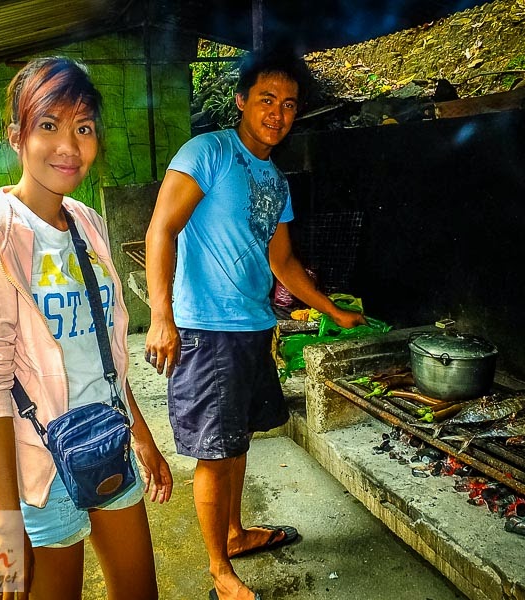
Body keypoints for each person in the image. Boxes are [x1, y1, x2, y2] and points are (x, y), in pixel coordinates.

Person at [143, 46, 365, 600]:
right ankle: (220, 572)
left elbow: (282, 262)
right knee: (214, 453)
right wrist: (161, 316)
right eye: (267, 99)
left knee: (234, 442)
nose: (278, 114)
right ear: (241, 101)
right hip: (206, 329)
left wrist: (331, 308)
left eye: (289, 104)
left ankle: (237, 534)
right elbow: (161, 230)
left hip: (251, 326)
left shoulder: (275, 180)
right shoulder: (207, 152)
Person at [0, 56, 172, 600]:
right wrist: (5, 523)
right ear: (17, 136)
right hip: (42, 465)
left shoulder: (88, 224)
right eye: (48, 125)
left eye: (83, 127)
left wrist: (142, 437)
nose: (68, 145)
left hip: (106, 437)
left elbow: (107, 355)